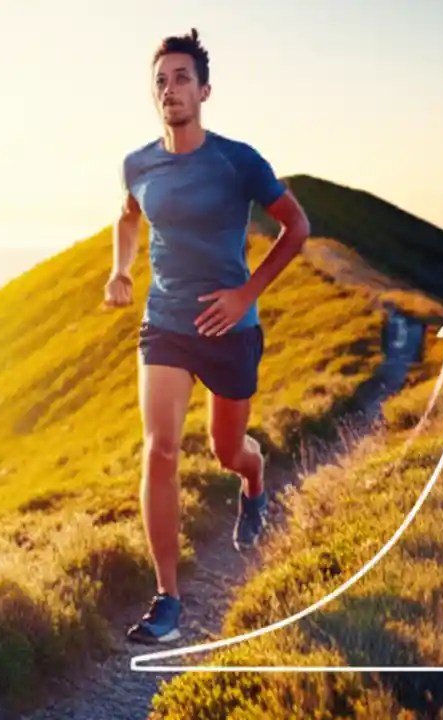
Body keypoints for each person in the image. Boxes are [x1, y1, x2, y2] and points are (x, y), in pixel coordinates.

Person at [103, 28, 311, 645]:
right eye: (161, 81)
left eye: (182, 78)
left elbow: (297, 227)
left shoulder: (237, 161)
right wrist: (120, 269)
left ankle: (255, 478)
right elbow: (127, 216)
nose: (170, 89)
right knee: (160, 450)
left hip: (229, 328)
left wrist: (246, 294)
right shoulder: (138, 164)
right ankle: (168, 599)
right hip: (165, 324)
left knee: (227, 451)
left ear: (204, 91)